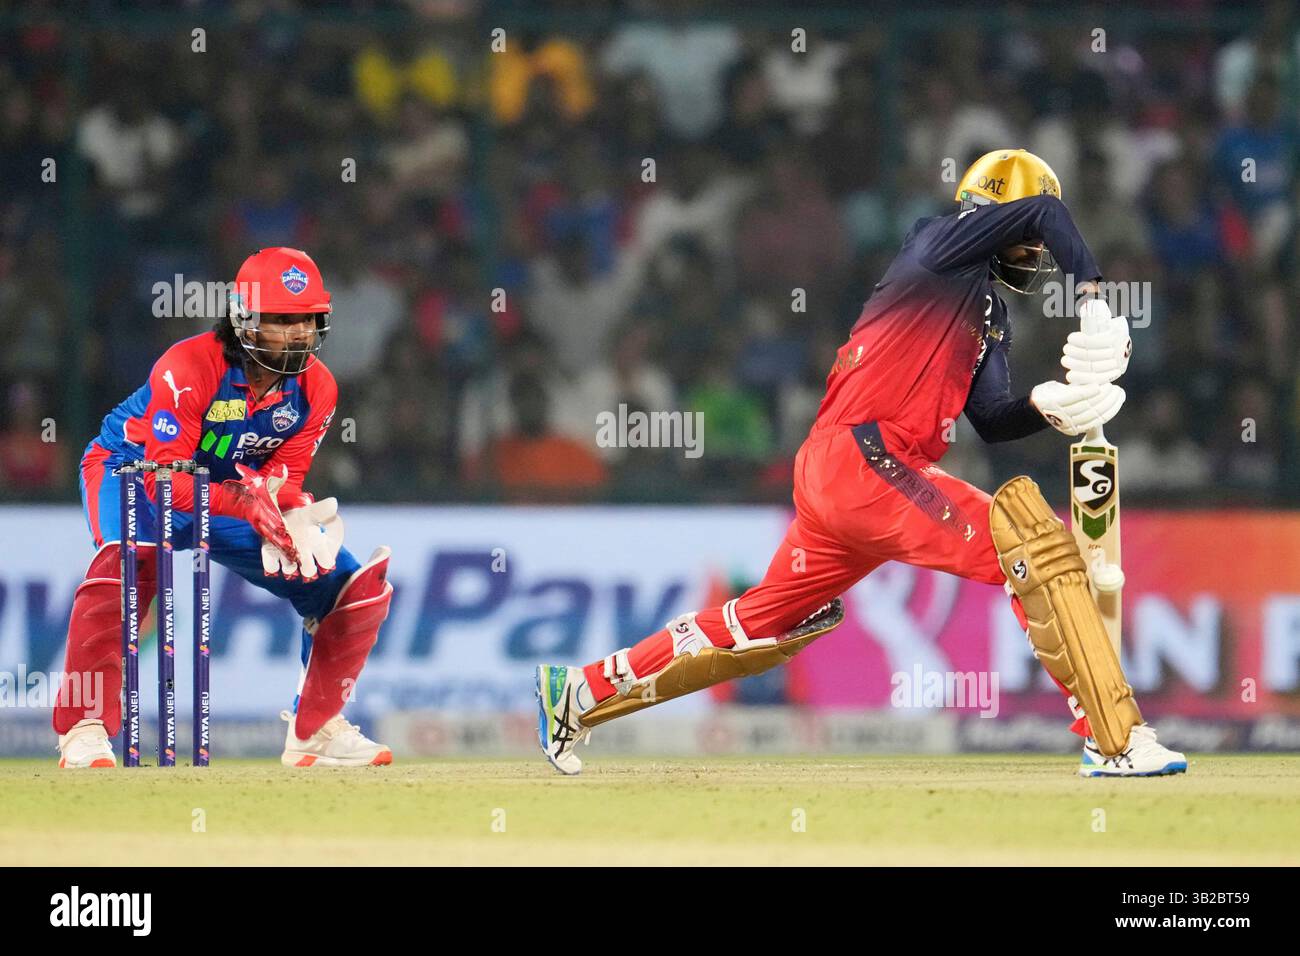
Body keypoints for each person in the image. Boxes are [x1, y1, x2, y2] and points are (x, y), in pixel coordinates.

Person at [537, 149, 1187, 779]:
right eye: (1025, 245)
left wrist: (1052, 404)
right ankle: (1116, 739)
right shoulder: (937, 244)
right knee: (1034, 548)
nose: (1034, 258)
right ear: (991, 214)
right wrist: (1097, 299)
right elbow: (1043, 211)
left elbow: (989, 418)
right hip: (866, 457)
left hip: (848, 473)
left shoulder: (985, 311)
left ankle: (579, 691)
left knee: (757, 625)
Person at [55, 247, 394, 769]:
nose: (299, 333)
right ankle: (85, 727)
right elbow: (166, 484)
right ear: (245, 320)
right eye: (282, 320)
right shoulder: (188, 367)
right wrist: (248, 499)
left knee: (346, 582)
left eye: (307, 320)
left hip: (230, 491)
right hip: (133, 470)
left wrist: (293, 508)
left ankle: (316, 730)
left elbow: (285, 479)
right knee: (131, 561)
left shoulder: (317, 388)